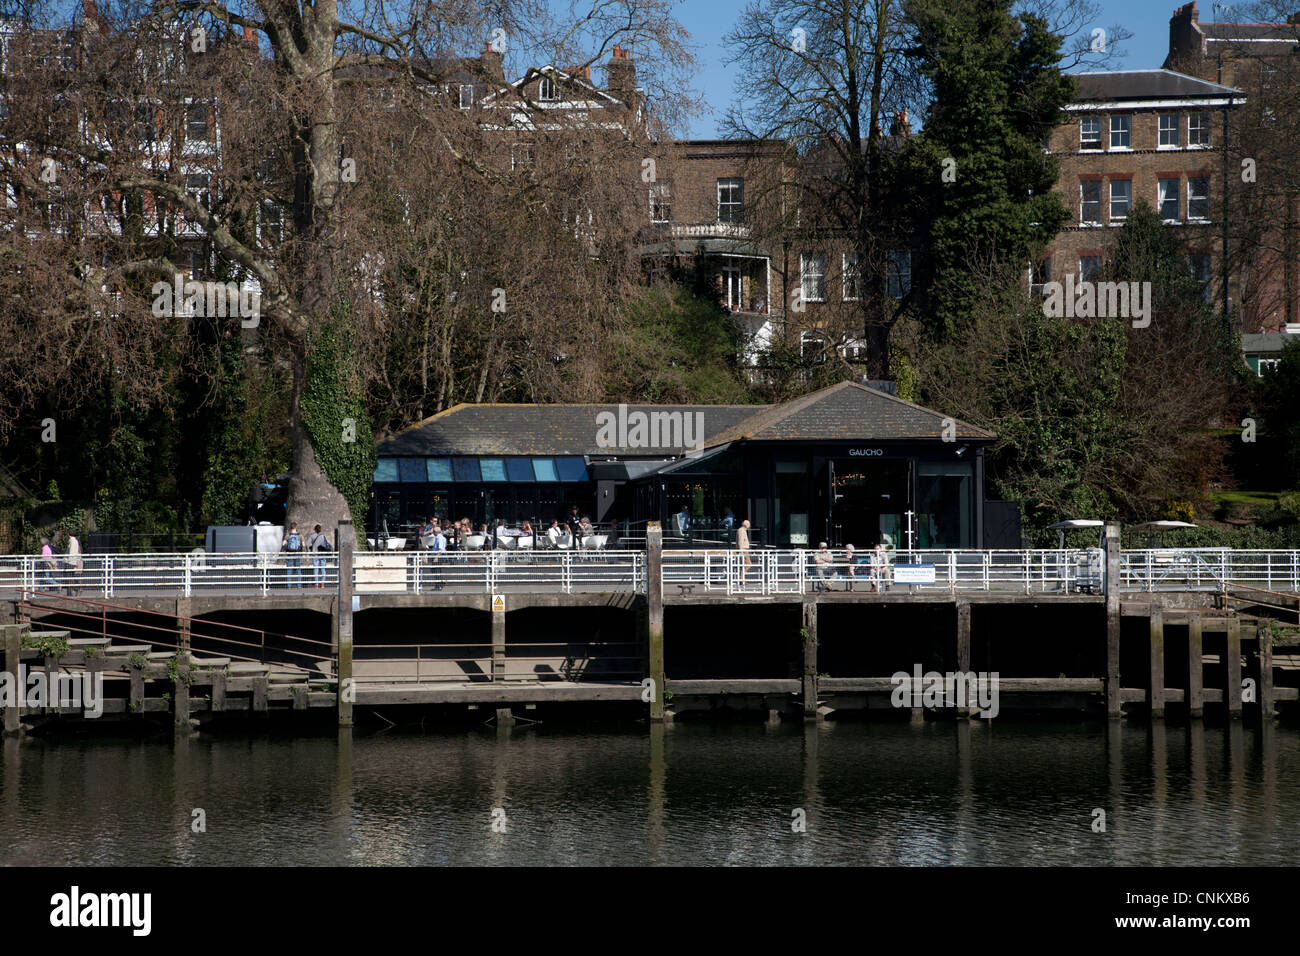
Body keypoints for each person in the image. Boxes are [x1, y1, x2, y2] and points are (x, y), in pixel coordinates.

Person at [60, 526, 82, 594]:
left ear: (68, 534)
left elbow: (71, 552)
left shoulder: (72, 541)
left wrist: (68, 560)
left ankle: (71, 592)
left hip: (70, 562)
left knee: (69, 578)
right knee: (70, 577)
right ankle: (71, 591)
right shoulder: (75, 540)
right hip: (72, 562)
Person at [283, 522, 304, 588]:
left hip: (290, 553)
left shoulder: (288, 535)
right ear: (296, 527)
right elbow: (303, 544)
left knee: (289, 569)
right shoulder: (300, 535)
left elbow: (283, 543)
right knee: (298, 569)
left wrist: (287, 546)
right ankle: (299, 585)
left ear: (291, 527)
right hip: (298, 553)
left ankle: (289, 586)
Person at [736, 518, 752, 583]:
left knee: (744, 564)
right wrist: (741, 551)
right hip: (743, 550)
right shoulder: (741, 530)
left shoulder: (742, 530)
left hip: (744, 550)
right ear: (746, 525)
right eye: (749, 524)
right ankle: (741, 578)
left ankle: (742, 579)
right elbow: (740, 541)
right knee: (748, 564)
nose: (750, 526)